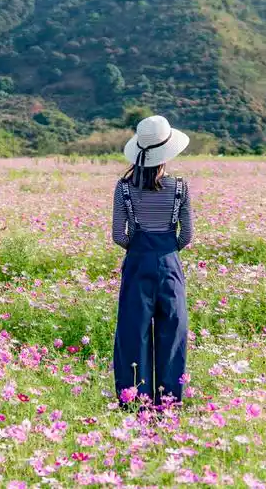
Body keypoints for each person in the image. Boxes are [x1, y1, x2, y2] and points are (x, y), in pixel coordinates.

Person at [112, 115, 193, 408]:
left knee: (134, 333)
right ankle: (168, 403)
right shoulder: (180, 188)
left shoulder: (123, 188)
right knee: (172, 332)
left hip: (136, 264)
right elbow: (187, 236)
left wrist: (137, 244)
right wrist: (166, 249)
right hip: (169, 263)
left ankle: (135, 402)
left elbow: (118, 236)